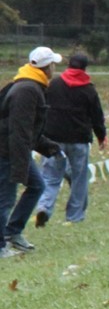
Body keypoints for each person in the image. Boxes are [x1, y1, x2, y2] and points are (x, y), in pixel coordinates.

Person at [0, 47, 64, 259]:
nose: (55, 68)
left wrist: (47, 147)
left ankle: (12, 232)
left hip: (16, 150)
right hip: (7, 152)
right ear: (48, 67)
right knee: (5, 199)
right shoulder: (27, 90)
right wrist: (18, 166)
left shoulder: (32, 85)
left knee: (37, 185)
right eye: (53, 64)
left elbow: (28, 130)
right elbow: (18, 131)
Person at [36, 51, 107, 226]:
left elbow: (43, 107)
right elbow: (97, 116)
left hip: (53, 138)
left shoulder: (54, 84)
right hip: (79, 140)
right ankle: (75, 217)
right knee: (79, 178)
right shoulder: (89, 89)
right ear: (84, 68)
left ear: (69, 66)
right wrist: (101, 136)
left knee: (50, 177)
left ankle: (44, 206)